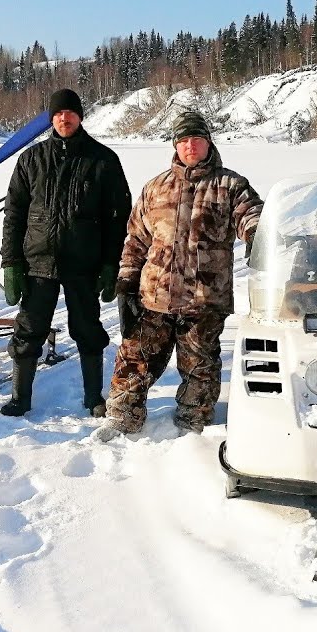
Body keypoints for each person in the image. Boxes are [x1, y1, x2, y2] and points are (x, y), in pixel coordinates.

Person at [94, 110, 263, 440]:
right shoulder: (156, 188)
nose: (189, 146)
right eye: (183, 140)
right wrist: (127, 282)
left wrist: (257, 234)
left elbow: (251, 214)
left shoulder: (231, 185)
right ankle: (123, 415)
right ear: (175, 145)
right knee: (134, 355)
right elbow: (136, 239)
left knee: (199, 364)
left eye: (195, 139)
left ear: (208, 143)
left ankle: (192, 423)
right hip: (154, 296)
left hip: (204, 299)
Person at [0, 88, 132, 417]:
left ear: (80, 116)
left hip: (83, 263)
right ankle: (20, 397)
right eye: (58, 113)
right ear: (51, 118)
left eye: (70, 112)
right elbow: (14, 215)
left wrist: (109, 264)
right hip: (37, 262)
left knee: (87, 329)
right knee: (29, 329)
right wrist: (11, 263)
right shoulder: (31, 159)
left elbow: (118, 218)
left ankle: (92, 397)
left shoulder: (103, 160)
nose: (64, 118)